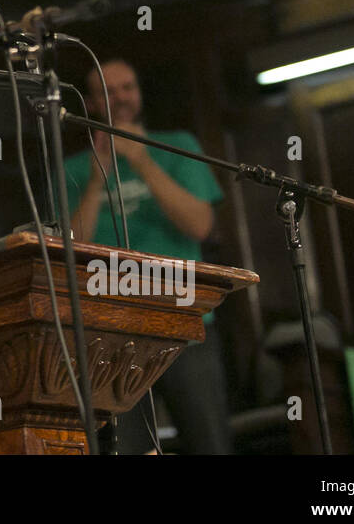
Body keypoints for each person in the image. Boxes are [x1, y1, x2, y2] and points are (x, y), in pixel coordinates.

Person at [64, 58, 232, 454]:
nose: (120, 97)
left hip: (185, 322)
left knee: (210, 444)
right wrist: (95, 179)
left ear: (139, 95)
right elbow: (70, 247)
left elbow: (200, 226)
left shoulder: (179, 146)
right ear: (91, 103)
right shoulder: (72, 166)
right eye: (109, 91)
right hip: (111, 335)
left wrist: (140, 158)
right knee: (129, 450)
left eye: (128, 88)